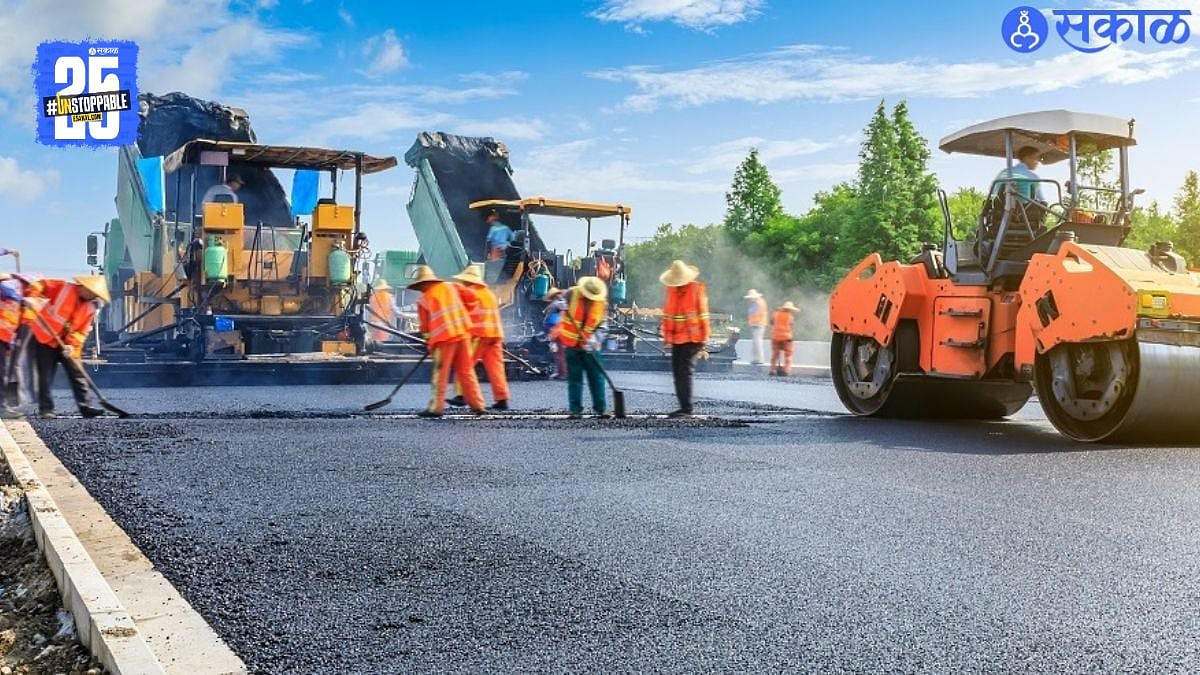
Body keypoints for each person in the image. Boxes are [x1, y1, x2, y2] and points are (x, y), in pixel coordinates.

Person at [23, 276, 110, 419]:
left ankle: (86, 407)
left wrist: (71, 346)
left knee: (78, 374)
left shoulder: (90, 308)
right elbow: (40, 285)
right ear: (84, 286)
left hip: (67, 345)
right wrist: (32, 298)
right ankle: (46, 409)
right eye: (92, 292)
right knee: (45, 375)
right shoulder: (63, 288)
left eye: (95, 295)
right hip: (45, 337)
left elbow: (81, 332)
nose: (92, 296)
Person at [407, 265, 485, 418]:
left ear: (423, 283)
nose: (420, 289)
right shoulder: (453, 286)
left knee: (440, 374)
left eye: (420, 286)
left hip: (444, 339)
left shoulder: (423, 300)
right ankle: (478, 405)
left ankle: (435, 408)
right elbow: (473, 298)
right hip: (463, 334)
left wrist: (430, 344)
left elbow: (425, 328)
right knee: (467, 371)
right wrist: (464, 313)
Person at [448, 263, 510, 411]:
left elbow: (460, 312)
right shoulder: (488, 293)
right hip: (495, 335)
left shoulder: (469, 292)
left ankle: (461, 395)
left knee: (464, 365)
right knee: (496, 368)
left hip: (479, 334)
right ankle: (502, 399)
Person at [659, 259, 710, 418]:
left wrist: (703, 339)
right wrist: (667, 339)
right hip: (677, 339)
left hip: (693, 339)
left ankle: (687, 409)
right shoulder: (672, 291)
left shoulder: (696, 290)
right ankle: (683, 407)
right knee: (677, 373)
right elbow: (668, 316)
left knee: (685, 372)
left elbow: (703, 315)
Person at [556, 277, 609, 419]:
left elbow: (603, 326)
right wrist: (558, 305)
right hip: (572, 346)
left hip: (591, 348)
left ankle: (601, 409)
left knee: (596, 378)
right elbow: (552, 306)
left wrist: (595, 338)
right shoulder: (571, 294)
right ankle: (575, 410)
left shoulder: (601, 303)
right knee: (574, 378)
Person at [0, 274, 21, 418]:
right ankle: (1, 408)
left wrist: (9, 345)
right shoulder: (7, 292)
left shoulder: (10, 301)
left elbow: (11, 325)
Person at [543, 288, 568, 380]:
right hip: (560, 331)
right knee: (559, 353)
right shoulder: (561, 303)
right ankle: (560, 372)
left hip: (559, 331)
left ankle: (563, 373)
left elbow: (547, 316)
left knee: (560, 353)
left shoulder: (556, 304)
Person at [770, 301, 800, 377]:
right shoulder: (790, 316)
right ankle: (786, 371)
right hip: (787, 338)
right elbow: (791, 325)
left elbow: (772, 322)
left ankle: (773, 370)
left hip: (775, 337)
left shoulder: (775, 314)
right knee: (788, 355)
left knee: (775, 354)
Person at [366, 279, 396, 343]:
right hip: (383, 326)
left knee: (374, 345)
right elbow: (396, 312)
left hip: (373, 325)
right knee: (382, 345)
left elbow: (368, 313)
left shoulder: (372, 297)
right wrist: (411, 316)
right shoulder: (390, 297)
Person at [744, 289, 768, 365]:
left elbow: (753, 312)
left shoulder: (758, 303)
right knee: (755, 342)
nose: (750, 299)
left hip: (759, 324)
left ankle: (760, 359)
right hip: (755, 324)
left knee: (757, 342)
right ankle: (756, 358)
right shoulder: (755, 303)